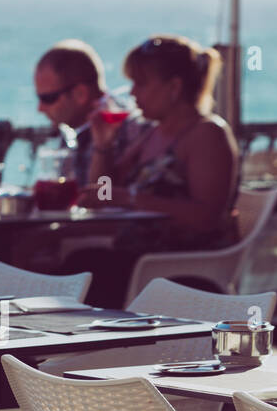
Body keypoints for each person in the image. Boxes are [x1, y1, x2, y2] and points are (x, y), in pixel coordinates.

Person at [71, 34, 240, 306]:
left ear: (174, 87)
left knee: (83, 269)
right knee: (75, 264)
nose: (133, 93)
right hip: (141, 259)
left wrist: (131, 198)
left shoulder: (207, 135)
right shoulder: (153, 134)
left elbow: (206, 217)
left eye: (141, 83)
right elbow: (103, 194)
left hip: (178, 265)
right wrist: (103, 145)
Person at [34, 40, 146, 185]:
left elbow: (102, 194)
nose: (40, 108)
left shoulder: (128, 129)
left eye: (48, 98)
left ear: (80, 94)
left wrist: (102, 149)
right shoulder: (71, 126)